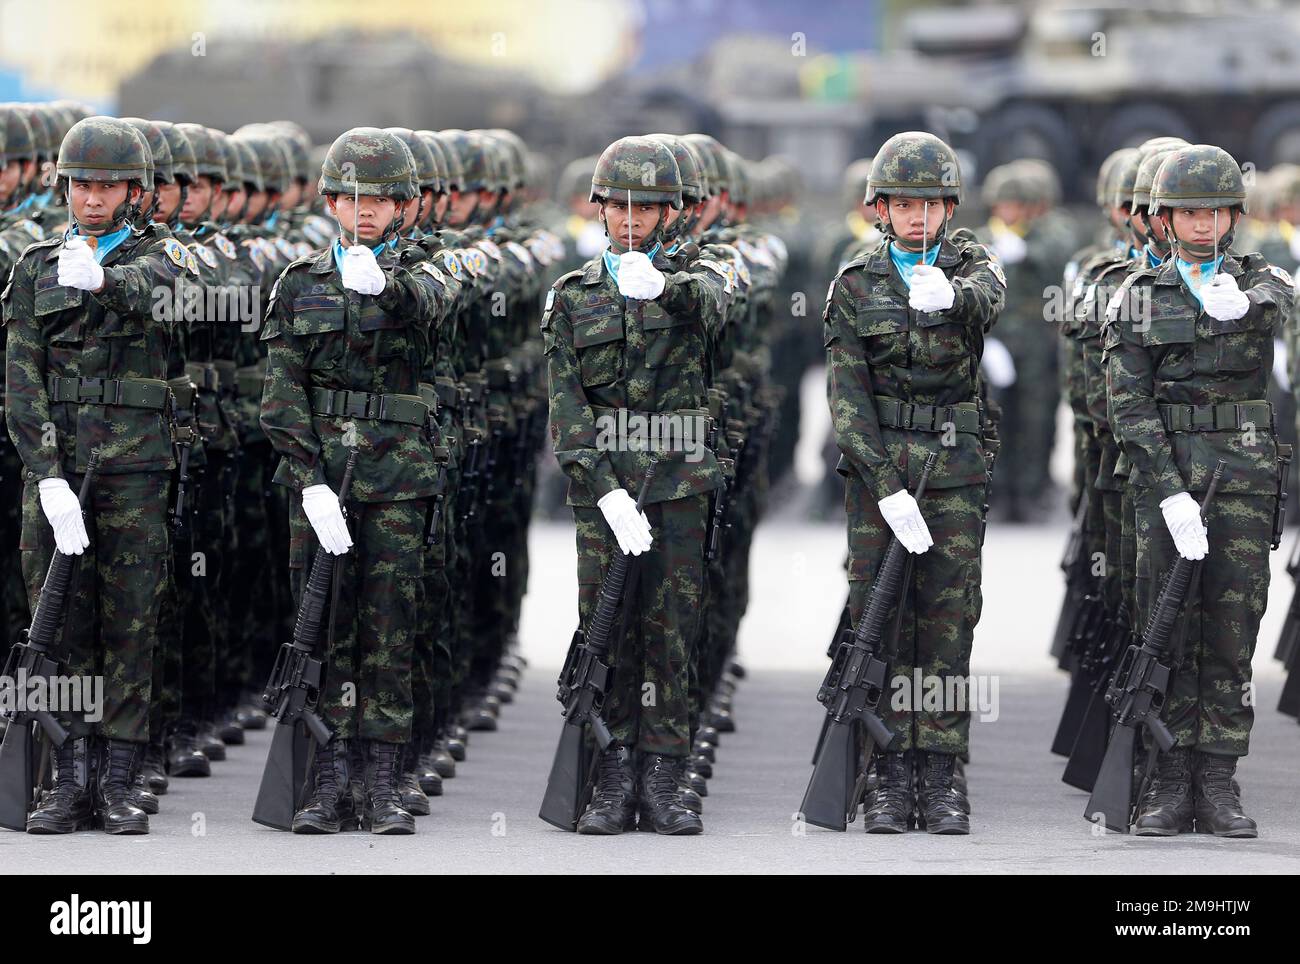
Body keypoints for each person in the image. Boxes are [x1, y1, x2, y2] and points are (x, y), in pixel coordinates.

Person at [259, 127, 452, 834]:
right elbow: (280, 396)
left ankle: (383, 780)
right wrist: (308, 480)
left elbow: (431, 306)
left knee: (390, 629)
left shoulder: (431, 271)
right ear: (331, 203)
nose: (363, 211)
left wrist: (387, 284)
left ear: (405, 206)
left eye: (380, 199)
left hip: (398, 480)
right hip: (322, 485)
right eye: (349, 198)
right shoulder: (300, 283)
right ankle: (327, 775)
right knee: (324, 628)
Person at [1103, 144, 1293, 837]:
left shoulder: (1263, 284)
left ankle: (1218, 777)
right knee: (1166, 628)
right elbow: (1128, 406)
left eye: (1216, 212)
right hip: (1169, 489)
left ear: (1233, 217)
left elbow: (1280, 300)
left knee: (1231, 632)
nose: (1204, 225)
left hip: (1241, 484)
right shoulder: (1138, 298)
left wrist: (1241, 299)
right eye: (1190, 213)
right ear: (1165, 219)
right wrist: (1168, 491)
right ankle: (1167, 775)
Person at [543, 135, 730, 835]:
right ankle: (613, 768)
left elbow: (718, 308)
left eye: (646, 210)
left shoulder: (703, 278)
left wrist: (670, 289)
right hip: (606, 496)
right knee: (606, 630)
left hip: (678, 487)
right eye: (618, 207)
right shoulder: (571, 298)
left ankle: (664, 771)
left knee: (671, 632)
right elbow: (568, 411)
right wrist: (604, 488)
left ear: (672, 214)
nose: (629, 221)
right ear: (598, 209)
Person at [4, 116, 186, 834]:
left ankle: (121, 774)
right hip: (58, 474)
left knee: (131, 623)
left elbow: (162, 296)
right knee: (61, 620)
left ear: (135, 192)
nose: (92, 199)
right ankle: (70, 771)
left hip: (134, 472)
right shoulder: (34, 266)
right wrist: (44, 472)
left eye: (108, 187)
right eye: (82, 185)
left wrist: (107, 280)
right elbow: (21, 377)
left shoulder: (170, 259)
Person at [822, 131, 1005, 834]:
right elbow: (847, 399)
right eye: (904, 204)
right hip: (882, 478)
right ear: (881, 208)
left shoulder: (972, 266)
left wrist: (951, 297)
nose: (918, 217)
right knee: (883, 621)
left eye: (931, 204)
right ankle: (890, 771)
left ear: (950, 208)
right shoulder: (854, 283)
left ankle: (942, 769)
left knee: (948, 622)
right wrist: (883, 484)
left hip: (954, 472)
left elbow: (987, 301)